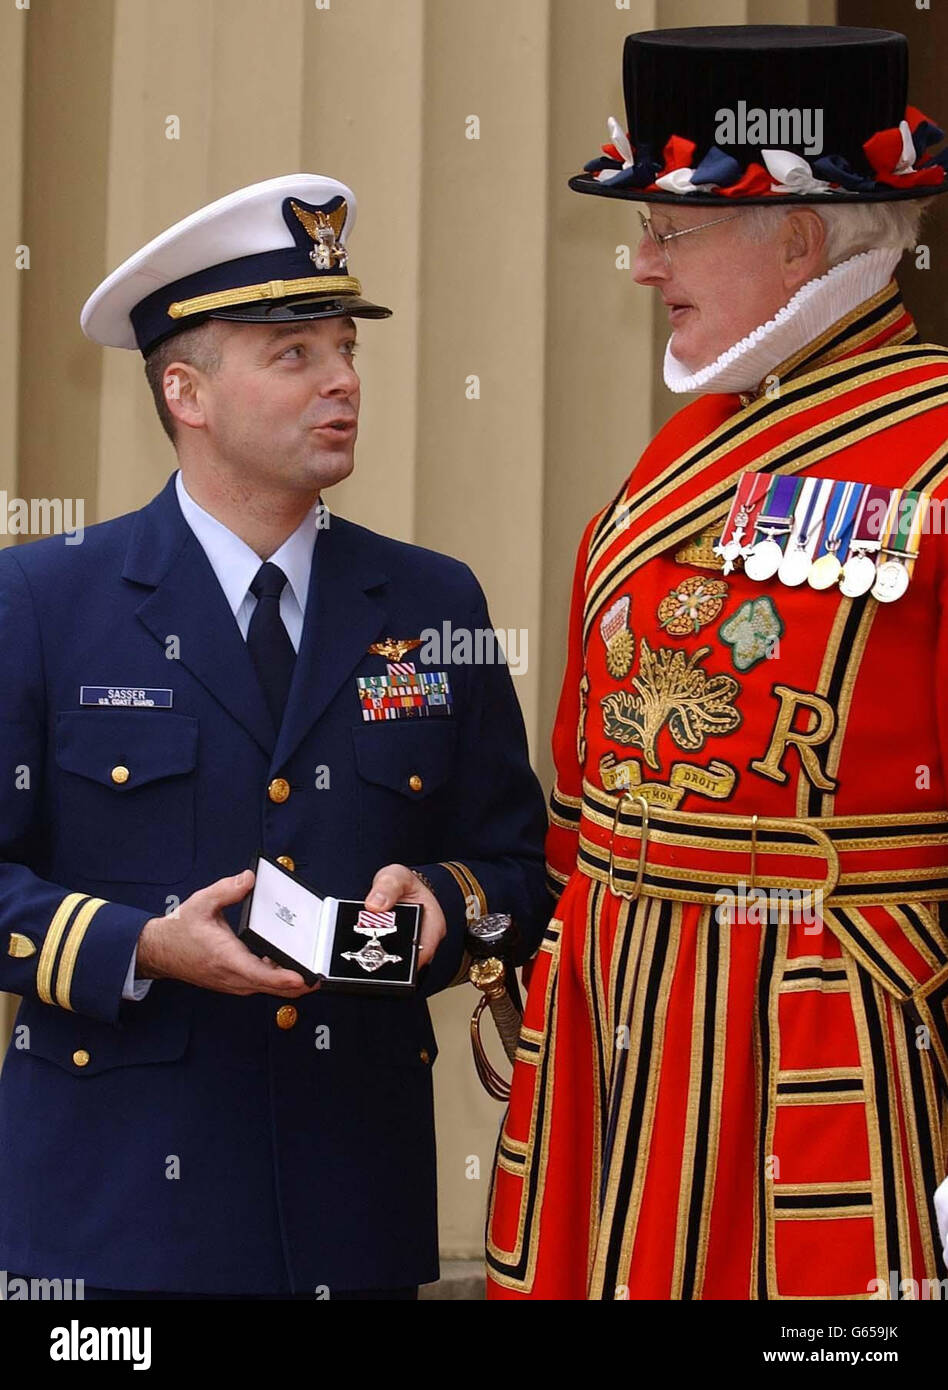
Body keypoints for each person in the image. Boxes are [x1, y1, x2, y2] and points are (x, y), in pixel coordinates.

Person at [0, 173, 549, 1299]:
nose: (343, 379)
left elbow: (520, 869)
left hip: (352, 1210)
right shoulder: (43, 600)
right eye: (293, 354)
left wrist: (447, 906)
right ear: (187, 391)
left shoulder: (433, 602)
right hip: (110, 1227)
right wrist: (140, 945)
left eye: (345, 348)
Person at [486, 25, 948, 1300]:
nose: (639, 266)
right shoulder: (679, 449)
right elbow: (585, 784)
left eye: (672, 231)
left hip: (828, 1028)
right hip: (624, 1028)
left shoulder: (938, 447)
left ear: (798, 236)